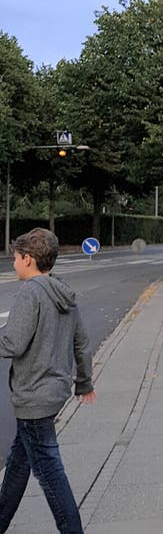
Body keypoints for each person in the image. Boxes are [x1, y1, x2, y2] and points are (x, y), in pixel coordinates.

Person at [0, 227, 95, 533]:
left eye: (15, 258)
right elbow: (81, 342)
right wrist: (84, 382)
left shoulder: (31, 292)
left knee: (50, 472)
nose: (13, 263)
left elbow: (12, 343)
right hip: (53, 391)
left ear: (28, 259)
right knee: (18, 465)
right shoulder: (60, 291)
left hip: (34, 396)